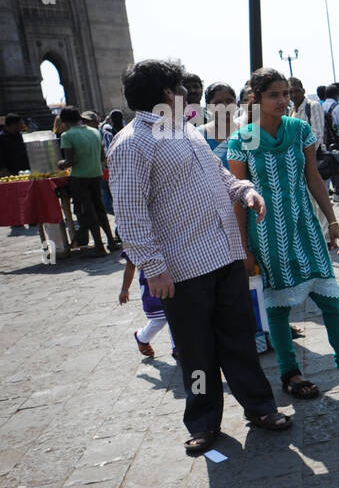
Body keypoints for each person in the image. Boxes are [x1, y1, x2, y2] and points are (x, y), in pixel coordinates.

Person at [108, 58, 291, 453]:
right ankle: (204, 423)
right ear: (164, 94)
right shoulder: (131, 143)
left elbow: (217, 173)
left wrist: (244, 190)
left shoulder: (183, 129)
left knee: (240, 340)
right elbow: (130, 213)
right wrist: (154, 269)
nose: (187, 95)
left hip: (223, 255)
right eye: (180, 89)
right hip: (181, 269)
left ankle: (260, 408)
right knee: (196, 354)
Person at [225, 67, 339, 397]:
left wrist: (334, 221)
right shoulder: (244, 138)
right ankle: (290, 374)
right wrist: (242, 246)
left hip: (305, 226)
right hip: (266, 233)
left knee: (330, 297)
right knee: (279, 307)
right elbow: (238, 196)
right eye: (274, 95)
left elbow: (313, 178)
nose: (283, 100)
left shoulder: (299, 130)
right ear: (257, 99)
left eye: (286, 94)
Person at [56, 107, 117, 256]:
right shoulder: (95, 132)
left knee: (88, 211)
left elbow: (70, 161)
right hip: (96, 174)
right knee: (100, 208)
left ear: (64, 122)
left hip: (79, 177)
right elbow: (102, 157)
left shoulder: (67, 135)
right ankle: (111, 241)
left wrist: (60, 163)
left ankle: (99, 246)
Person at [120, 250, 173, 358]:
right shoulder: (134, 241)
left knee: (176, 315)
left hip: (173, 280)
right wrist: (125, 289)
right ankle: (142, 337)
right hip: (151, 286)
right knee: (160, 318)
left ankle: (177, 347)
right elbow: (130, 267)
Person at [198, 83, 239, 166]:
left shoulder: (246, 132)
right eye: (218, 102)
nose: (225, 106)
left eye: (229, 101)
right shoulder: (200, 135)